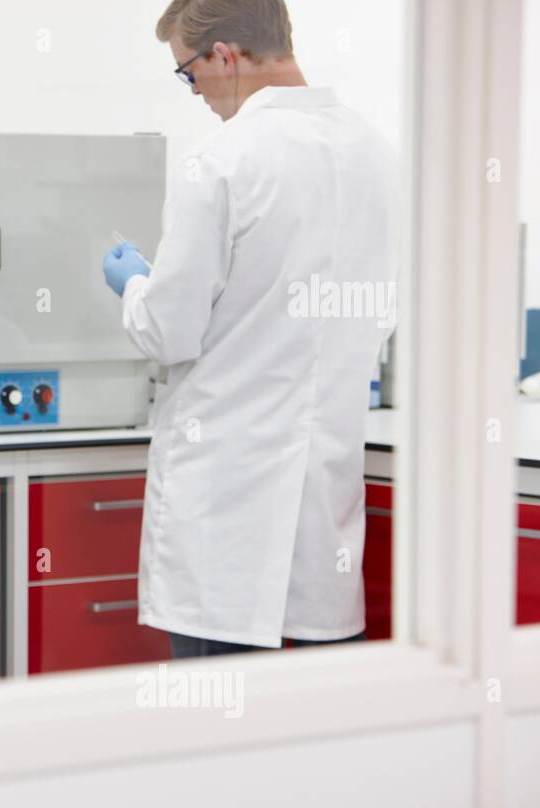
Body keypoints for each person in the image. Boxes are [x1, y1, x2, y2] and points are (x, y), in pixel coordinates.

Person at [101, 0, 398, 658]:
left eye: (187, 73)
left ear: (224, 57)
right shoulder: (379, 156)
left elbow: (167, 331)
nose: (196, 93)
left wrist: (136, 286)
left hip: (224, 522)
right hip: (325, 516)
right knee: (313, 745)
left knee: (218, 741)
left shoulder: (223, 161)